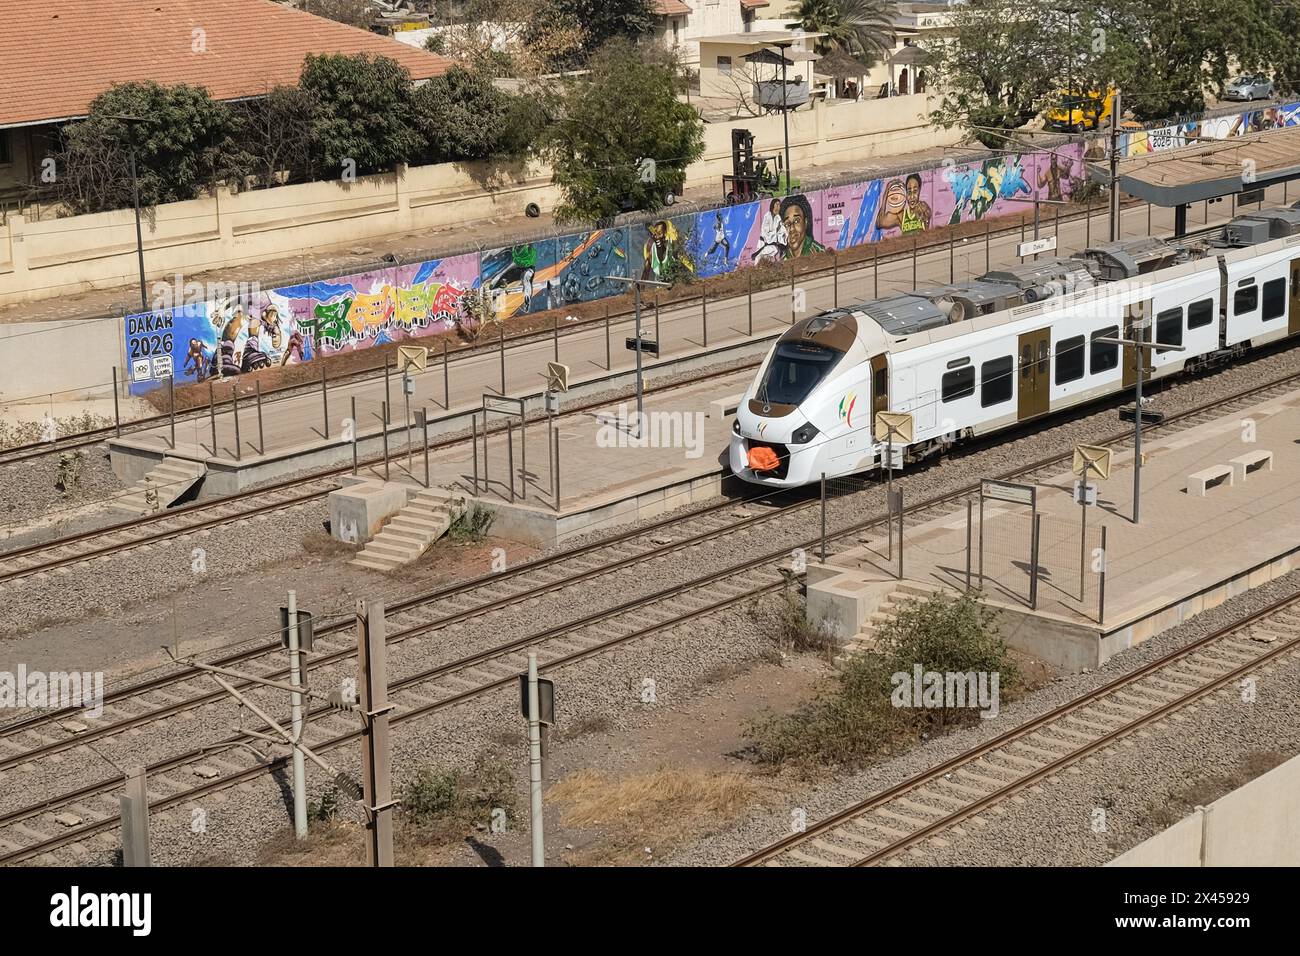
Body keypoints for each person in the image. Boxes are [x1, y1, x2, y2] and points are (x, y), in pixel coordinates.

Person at [752, 199, 787, 263]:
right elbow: (766, 233)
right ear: (772, 206)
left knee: (774, 252)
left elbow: (782, 230)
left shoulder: (778, 217)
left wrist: (785, 231)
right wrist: (776, 231)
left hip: (772, 244)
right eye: (777, 205)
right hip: (764, 243)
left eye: (779, 205)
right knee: (759, 260)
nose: (778, 207)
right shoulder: (767, 216)